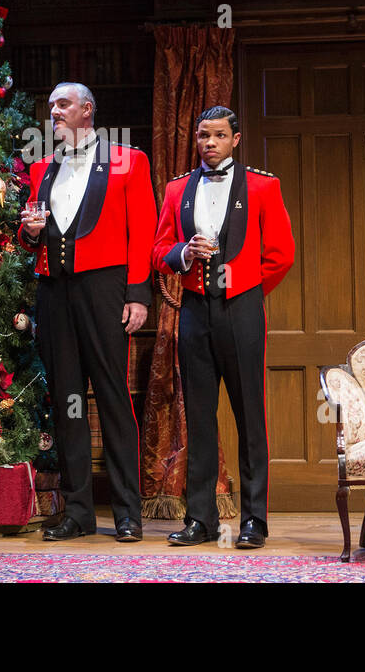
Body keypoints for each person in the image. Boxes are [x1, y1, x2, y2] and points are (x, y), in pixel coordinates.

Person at [152, 105, 295, 548]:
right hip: (194, 310)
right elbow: (159, 249)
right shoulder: (178, 191)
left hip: (242, 310)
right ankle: (201, 518)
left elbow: (281, 254)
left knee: (250, 415)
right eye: (202, 136)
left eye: (217, 135)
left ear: (235, 139)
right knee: (197, 417)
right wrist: (183, 255)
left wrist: (247, 288)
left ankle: (254, 520)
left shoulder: (262, 186)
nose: (209, 143)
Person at [18, 82, 156, 541]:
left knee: (114, 400)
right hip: (54, 292)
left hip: (105, 289)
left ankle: (126, 513)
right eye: (52, 105)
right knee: (67, 402)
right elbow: (31, 236)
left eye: (63, 104)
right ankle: (78, 511)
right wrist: (30, 232)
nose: (54, 111)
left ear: (87, 111)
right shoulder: (40, 166)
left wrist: (138, 294)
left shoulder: (128, 160)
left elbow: (144, 232)